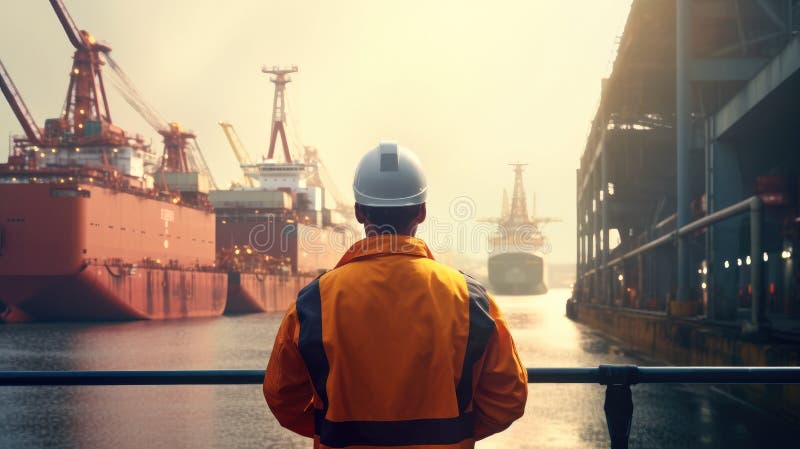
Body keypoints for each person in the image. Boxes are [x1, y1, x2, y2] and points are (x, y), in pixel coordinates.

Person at [263, 142, 527, 448]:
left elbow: (282, 398)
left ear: (360, 212)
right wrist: (459, 431)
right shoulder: (472, 301)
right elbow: (508, 399)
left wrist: (330, 430)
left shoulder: (312, 304)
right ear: (422, 212)